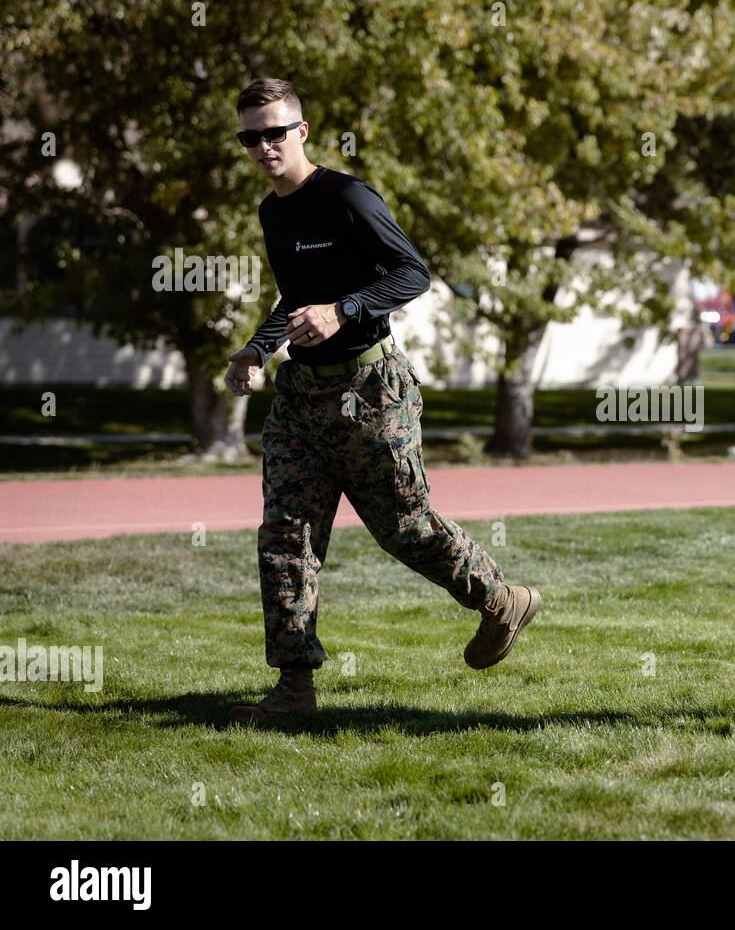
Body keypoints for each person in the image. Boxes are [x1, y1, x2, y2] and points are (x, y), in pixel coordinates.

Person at [222, 78, 540, 723]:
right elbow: (293, 297)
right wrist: (257, 348)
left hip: (370, 391)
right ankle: (294, 687)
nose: (263, 146)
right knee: (287, 537)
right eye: (250, 137)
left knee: (405, 528)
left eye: (275, 132)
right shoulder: (272, 212)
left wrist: (345, 310)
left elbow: (413, 273)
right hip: (300, 398)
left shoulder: (347, 197)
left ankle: (501, 599)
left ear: (301, 132)